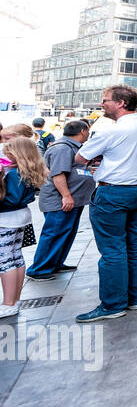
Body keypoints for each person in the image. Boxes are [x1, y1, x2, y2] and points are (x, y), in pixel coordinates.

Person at [73, 84, 137, 322]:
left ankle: (113, 304)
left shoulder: (111, 130)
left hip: (113, 193)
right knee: (136, 243)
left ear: (120, 103)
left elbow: (80, 157)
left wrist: (101, 158)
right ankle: (136, 297)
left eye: (106, 100)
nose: (103, 104)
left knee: (112, 249)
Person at [27, 120, 93, 280]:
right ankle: (39, 269)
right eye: (88, 131)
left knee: (65, 233)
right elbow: (57, 174)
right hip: (60, 201)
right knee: (54, 233)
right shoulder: (63, 148)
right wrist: (66, 196)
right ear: (83, 131)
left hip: (72, 200)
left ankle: (55, 262)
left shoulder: (71, 147)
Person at [0, 136, 48, 317]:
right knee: (15, 258)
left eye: (9, 150)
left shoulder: (12, 173)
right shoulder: (25, 170)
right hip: (20, 217)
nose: (5, 152)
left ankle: (8, 303)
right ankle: (13, 300)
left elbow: (10, 199)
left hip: (6, 219)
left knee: (5, 261)